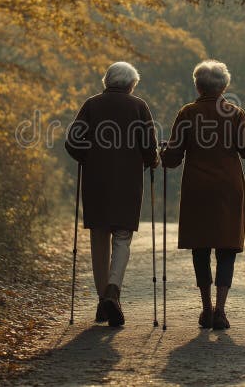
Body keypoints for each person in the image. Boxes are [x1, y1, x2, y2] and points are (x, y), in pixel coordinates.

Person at [161, 60, 245, 330]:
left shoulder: (187, 113)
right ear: (224, 86)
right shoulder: (235, 113)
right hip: (229, 188)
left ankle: (205, 309)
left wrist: (163, 152)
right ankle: (221, 311)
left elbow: (172, 158)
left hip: (198, 188)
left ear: (197, 85)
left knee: (201, 247)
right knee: (227, 247)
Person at [65, 61, 159, 327]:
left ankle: (102, 301)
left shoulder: (91, 105)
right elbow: (149, 146)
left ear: (107, 81)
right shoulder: (139, 106)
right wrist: (152, 161)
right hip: (128, 181)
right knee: (122, 237)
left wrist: (87, 157)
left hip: (96, 180)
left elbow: (72, 142)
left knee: (99, 237)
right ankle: (113, 292)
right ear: (131, 84)